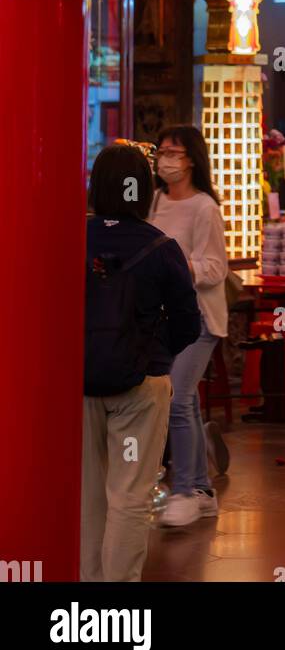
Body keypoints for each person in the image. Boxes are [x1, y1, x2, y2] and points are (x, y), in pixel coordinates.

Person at [82, 143, 200, 581]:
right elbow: (189, 322)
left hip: (81, 383)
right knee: (130, 496)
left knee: (89, 495)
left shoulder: (70, 238)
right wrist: (156, 356)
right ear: (143, 191)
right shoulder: (161, 247)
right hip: (142, 387)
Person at [151, 125, 229, 528]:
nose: (166, 159)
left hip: (198, 316)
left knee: (177, 398)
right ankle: (200, 489)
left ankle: (183, 489)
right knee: (186, 402)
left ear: (192, 160)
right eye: (161, 152)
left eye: (174, 153)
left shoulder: (204, 208)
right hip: (161, 318)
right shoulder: (154, 202)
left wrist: (172, 269)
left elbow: (215, 268)